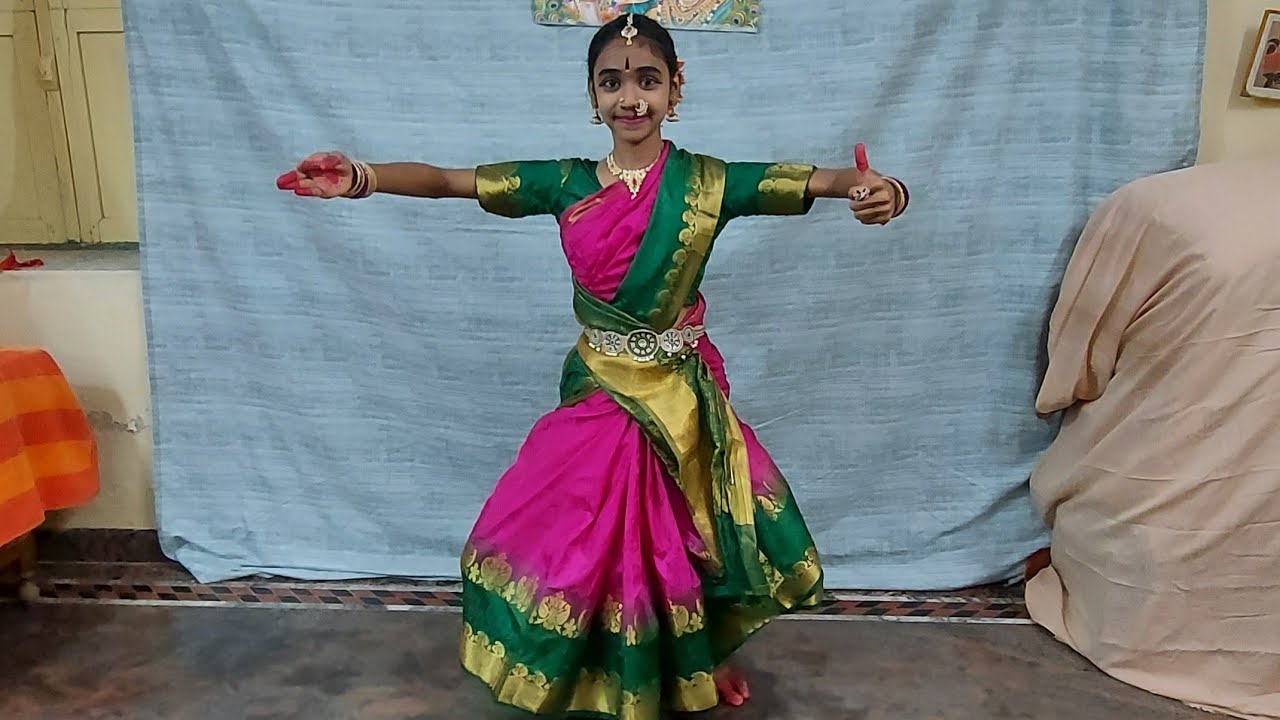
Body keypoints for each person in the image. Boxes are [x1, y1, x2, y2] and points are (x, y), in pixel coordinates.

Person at [277, 12, 909, 719]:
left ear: (676, 88)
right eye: (612, 83)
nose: (630, 98)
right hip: (602, 391)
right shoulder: (566, 183)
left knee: (687, 539)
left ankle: (693, 665)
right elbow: (451, 181)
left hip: (681, 401)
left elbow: (814, 181)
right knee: (581, 534)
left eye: (647, 80)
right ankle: (593, 668)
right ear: (592, 96)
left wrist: (881, 190)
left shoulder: (709, 183)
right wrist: (360, 176)